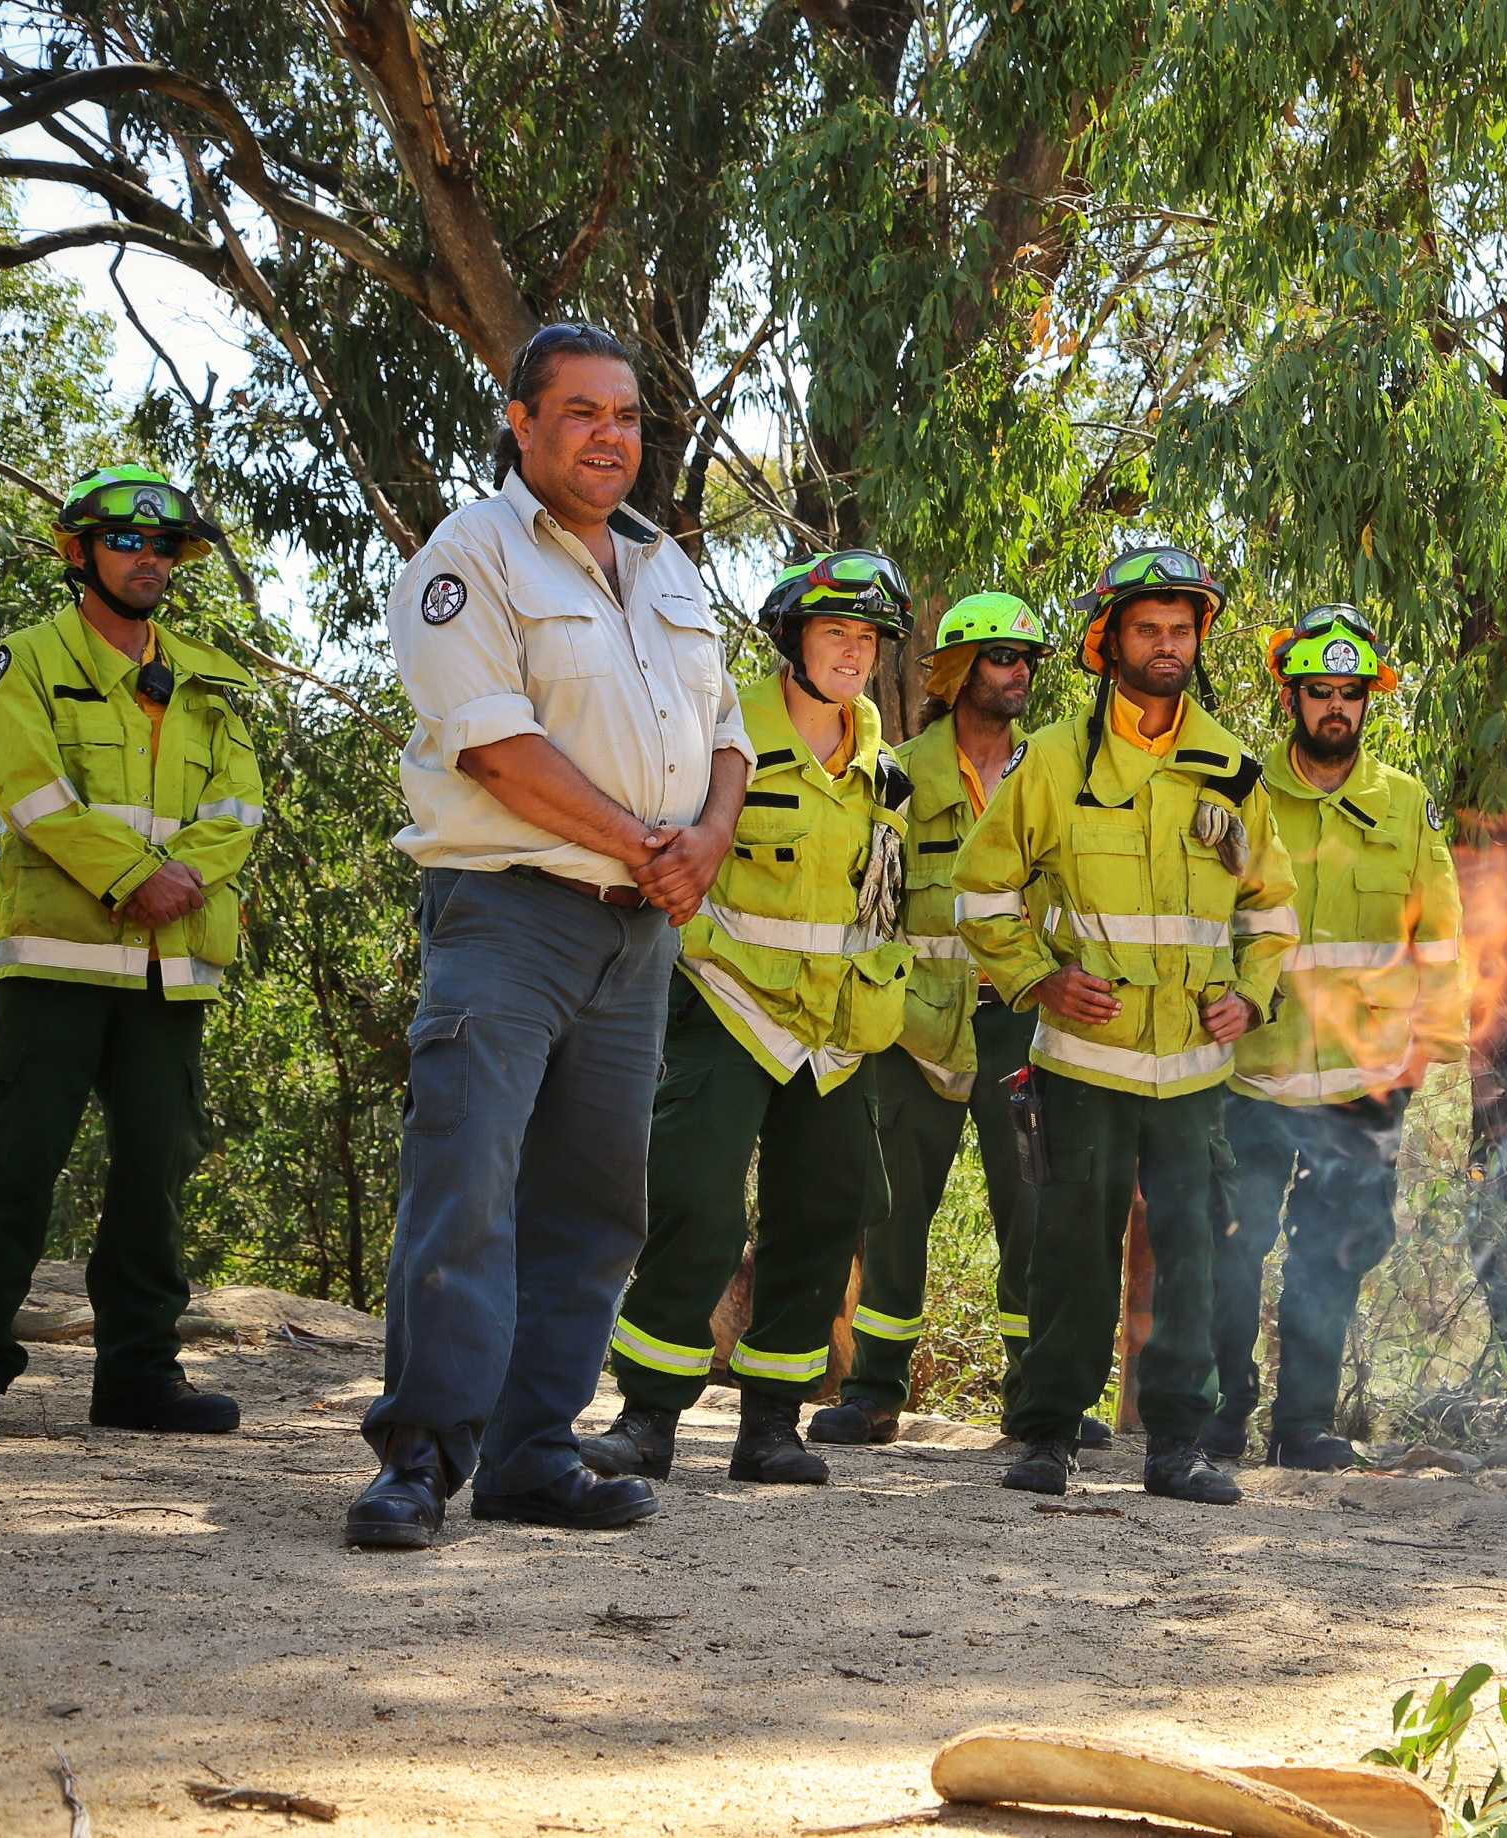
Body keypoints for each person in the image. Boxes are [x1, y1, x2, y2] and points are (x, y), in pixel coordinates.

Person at [346, 322, 750, 1550]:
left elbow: (730, 732)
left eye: (625, 416)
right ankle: (421, 1452)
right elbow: (493, 743)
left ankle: (531, 1453)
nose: (608, 436)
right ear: (521, 422)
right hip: (510, 912)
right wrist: (647, 839)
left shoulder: (665, 566)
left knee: (596, 1201)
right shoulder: (467, 556)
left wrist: (711, 839)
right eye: (579, 412)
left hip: (642, 935)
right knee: (467, 1175)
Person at [952, 545, 1297, 1503]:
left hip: (1192, 1073)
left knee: (1194, 1252)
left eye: (1182, 631)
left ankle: (1178, 1445)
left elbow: (1270, 909)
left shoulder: (1230, 769)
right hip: (1084, 1062)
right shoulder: (1056, 760)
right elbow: (981, 890)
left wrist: (1253, 996)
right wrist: (1036, 981)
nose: (1166, 646)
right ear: (1109, 642)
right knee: (1071, 1249)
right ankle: (1047, 1438)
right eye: (1147, 629)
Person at [579, 553, 918, 1486]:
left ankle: (772, 1425)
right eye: (835, 633)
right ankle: (648, 1417)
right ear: (792, 642)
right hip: (726, 1010)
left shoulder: (887, 778)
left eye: (867, 638)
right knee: (694, 1206)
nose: (854, 653)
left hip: (838, 1039)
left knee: (820, 1220)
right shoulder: (724, 744)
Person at [0, 465, 264, 1435]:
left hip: (173, 967)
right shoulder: (29, 660)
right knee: (13, 1161)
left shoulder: (209, 677)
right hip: (58, 958)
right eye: (126, 541)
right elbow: (27, 788)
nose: (148, 559)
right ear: (80, 552)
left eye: (164, 546)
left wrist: (185, 879)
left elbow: (239, 807)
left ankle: (138, 1374)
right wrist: (134, 876)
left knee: (155, 1169)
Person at [807, 592, 1113, 1450]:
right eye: (1000, 657)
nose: (1018, 673)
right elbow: (867, 908)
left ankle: (1038, 1398)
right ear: (955, 670)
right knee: (893, 1213)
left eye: (1026, 660)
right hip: (912, 1031)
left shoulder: (1053, 776)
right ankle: (873, 1391)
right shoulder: (900, 775)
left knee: (1036, 1211)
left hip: (1021, 1027)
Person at [1205, 607, 1464, 1469]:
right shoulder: (1241, 791)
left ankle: (1304, 1425)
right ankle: (1222, 1414)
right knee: (1231, 1248)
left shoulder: (1406, 805)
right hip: (1253, 1074)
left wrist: (1424, 1052)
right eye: (1320, 693)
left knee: (1335, 1254)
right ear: (1293, 695)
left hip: (1365, 1079)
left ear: (1368, 702)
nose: (1336, 710)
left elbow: (1441, 938)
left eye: (1351, 695)